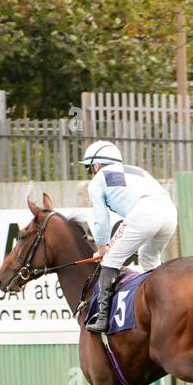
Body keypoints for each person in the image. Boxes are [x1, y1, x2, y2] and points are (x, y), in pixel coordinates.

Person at [81, 140, 178, 334]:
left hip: (145, 212)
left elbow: (101, 220)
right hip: (169, 212)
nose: (92, 172)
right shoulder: (136, 170)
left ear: (97, 165)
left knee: (110, 259)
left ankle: (102, 318)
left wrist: (102, 247)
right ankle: (163, 304)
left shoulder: (98, 179)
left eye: (90, 168)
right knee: (149, 258)